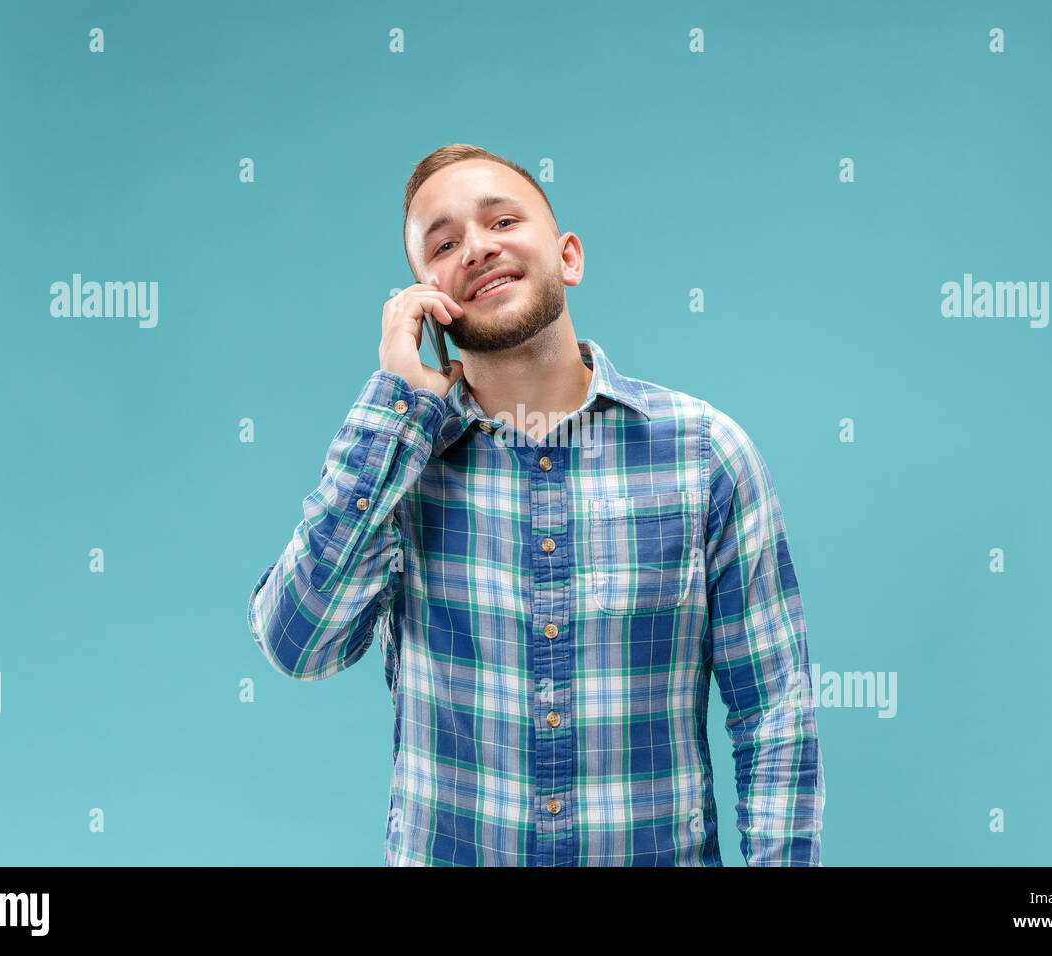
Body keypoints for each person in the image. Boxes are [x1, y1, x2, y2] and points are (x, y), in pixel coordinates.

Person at [246, 144, 825, 866]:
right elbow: (299, 644)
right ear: (425, 303)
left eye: (502, 220)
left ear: (568, 257)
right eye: (445, 243)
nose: (477, 248)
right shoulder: (400, 467)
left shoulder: (705, 454)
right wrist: (397, 409)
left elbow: (774, 715)